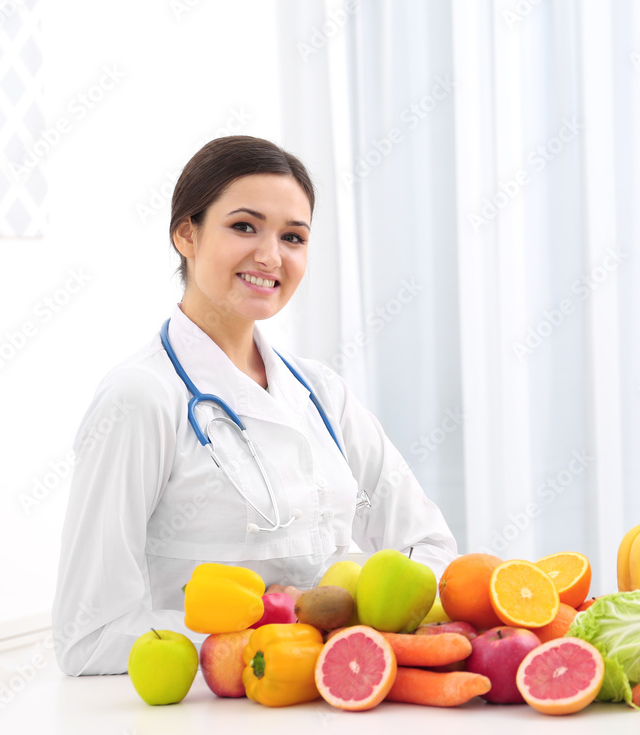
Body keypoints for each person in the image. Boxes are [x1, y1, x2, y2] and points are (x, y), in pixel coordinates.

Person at [52, 135, 458, 676]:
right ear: (185, 234)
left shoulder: (321, 393)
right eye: (244, 226)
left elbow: (429, 548)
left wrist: (345, 625)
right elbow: (89, 636)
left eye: (293, 236)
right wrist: (277, 631)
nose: (270, 255)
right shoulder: (141, 397)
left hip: (332, 689)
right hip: (210, 706)